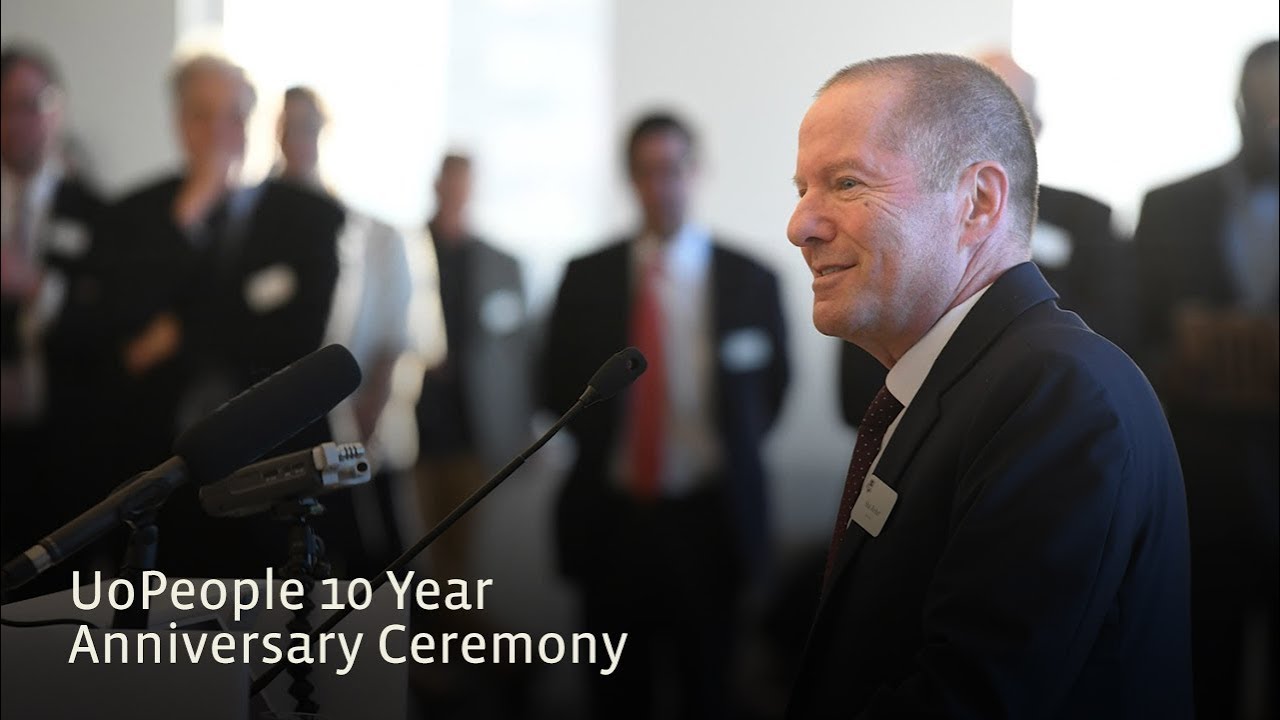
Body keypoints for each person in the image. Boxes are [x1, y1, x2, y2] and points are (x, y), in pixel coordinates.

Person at [785, 54, 1191, 718]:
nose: (800, 225)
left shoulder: (1058, 395)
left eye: (847, 182)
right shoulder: (960, 381)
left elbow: (971, 700)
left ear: (978, 203)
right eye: (802, 188)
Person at [541, 112, 790, 720]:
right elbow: (553, 384)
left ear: (696, 173)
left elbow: (773, 389)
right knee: (615, 698)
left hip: (710, 523)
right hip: (612, 523)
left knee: (709, 692)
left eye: (674, 169)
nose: (664, 185)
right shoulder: (586, 276)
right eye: (649, 172)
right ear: (631, 179)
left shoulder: (750, 278)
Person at [105, 54, 346, 579]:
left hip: (274, 470)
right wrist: (186, 217)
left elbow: (298, 338)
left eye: (232, 115)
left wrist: (177, 333)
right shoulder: (133, 217)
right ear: (177, 121)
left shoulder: (309, 217)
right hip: (161, 477)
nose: (218, 131)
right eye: (201, 115)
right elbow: (122, 336)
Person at [840, 50, 1132, 432]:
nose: (980, 131)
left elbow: (1117, 334)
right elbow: (857, 386)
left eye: (1005, 113)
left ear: (1036, 127)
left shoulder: (1089, 218)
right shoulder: (895, 218)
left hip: (1054, 417)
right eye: (962, 114)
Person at [1134, 39, 1278, 720]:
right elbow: (1127, 332)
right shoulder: (1169, 204)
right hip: (1202, 482)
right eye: (1264, 105)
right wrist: (1182, 356)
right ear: (1238, 105)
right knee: (1197, 669)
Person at [0, 45, 108, 568]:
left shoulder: (96, 213)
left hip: (68, 452)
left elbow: (107, 331)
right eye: (6, 105)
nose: (19, 120)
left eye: (32, 103)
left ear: (57, 107)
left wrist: (35, 287)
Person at [414, 153, 531, 584]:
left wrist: (521, 428)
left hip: (474, 426)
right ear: (437, 185)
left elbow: (518, 354)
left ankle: (449, 641)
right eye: (451, 182)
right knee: (414, 555)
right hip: (415, 424)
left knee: (459, 562)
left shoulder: (501, 264)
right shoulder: (407, 251)